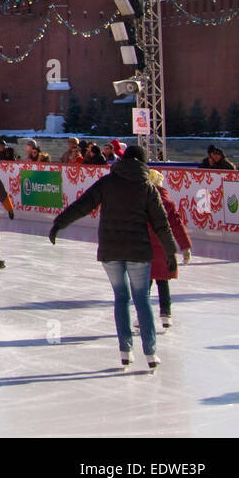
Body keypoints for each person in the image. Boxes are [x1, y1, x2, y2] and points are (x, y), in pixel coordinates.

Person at [49, 144, 176, 369]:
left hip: (111, 249)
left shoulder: (108, 182)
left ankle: (125, 350)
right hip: (138, 251)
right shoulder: (147, 187)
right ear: (143, 163)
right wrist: (170, 251)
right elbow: (161, 223)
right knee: (142, 300)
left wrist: (60, 222)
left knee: (121, 298)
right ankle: (150, 353)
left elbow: (83, 204)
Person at [147, 169, 191, 328]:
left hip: (144, 249)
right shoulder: (169, 203)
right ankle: (166, 314)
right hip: (164, 248)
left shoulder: (141, 201)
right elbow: (177, 225)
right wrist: (185, 246)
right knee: (162, 281)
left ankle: (142, 314)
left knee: (144, 284)